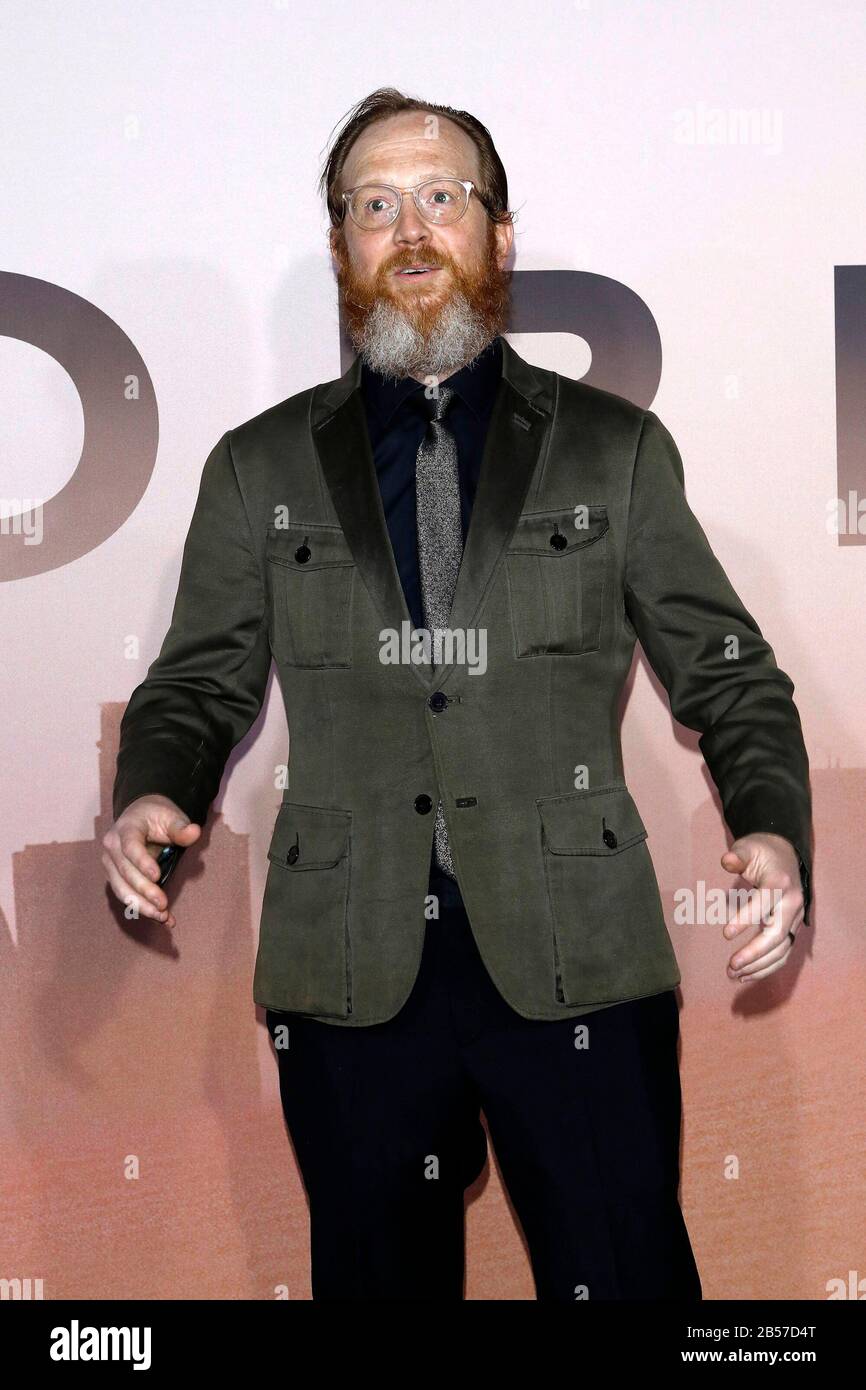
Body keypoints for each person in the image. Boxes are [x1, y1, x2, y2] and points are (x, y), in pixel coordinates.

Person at [103, 87, 812, 1301]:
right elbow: (195, 682)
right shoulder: (256, 466)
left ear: (499, 233)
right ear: (341, 246)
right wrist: (148, 792)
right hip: (350, 974)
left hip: (575, 955)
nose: (412, 229)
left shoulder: (611, 450)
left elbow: (731, 677)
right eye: (374, 206)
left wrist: (770, 827)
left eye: (442, 196)